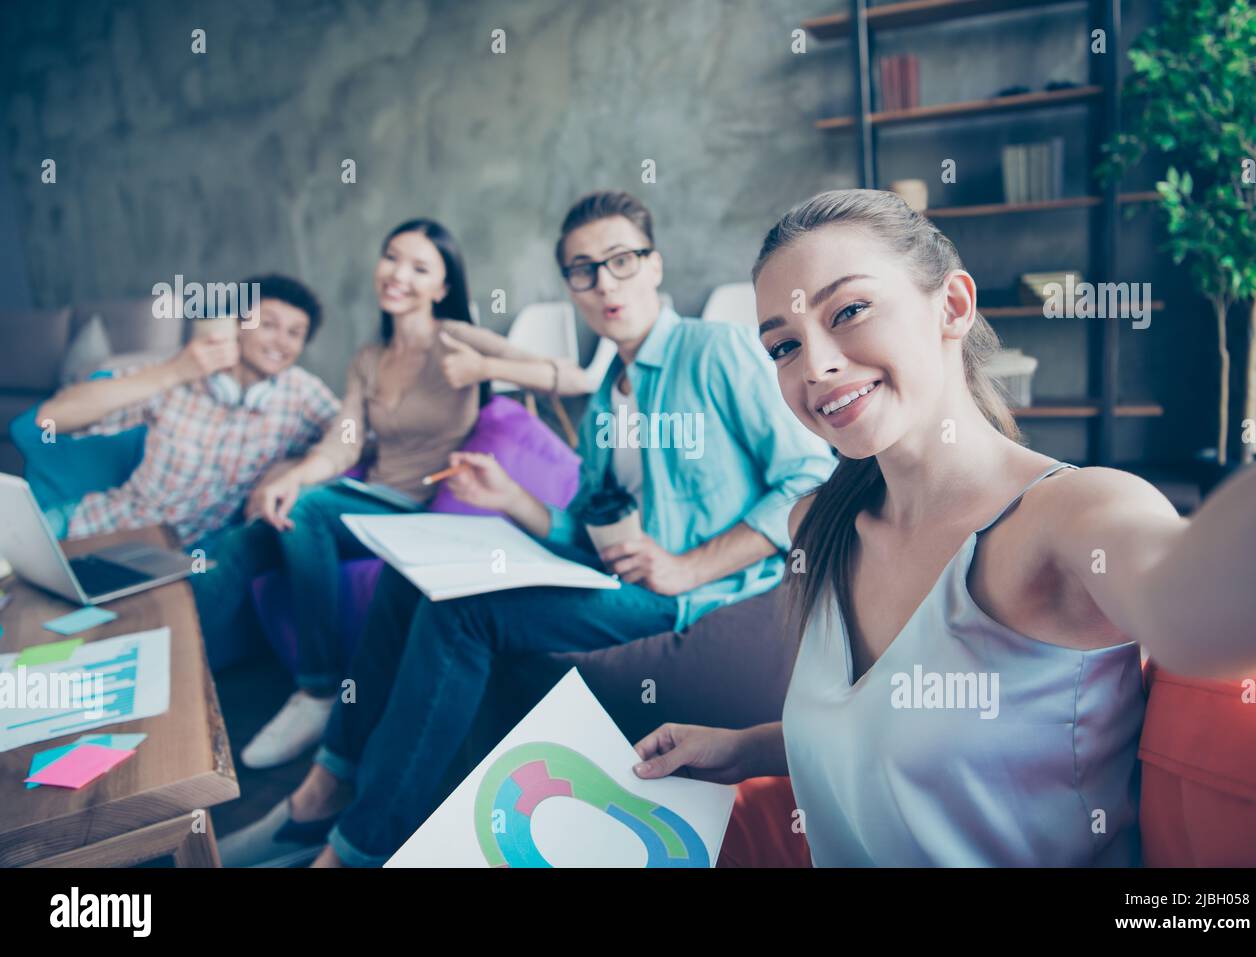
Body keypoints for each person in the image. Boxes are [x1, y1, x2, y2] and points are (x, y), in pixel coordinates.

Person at [632, 188, 1256, 867]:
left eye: (850, 310)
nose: (817, 366)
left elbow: (1199, 610)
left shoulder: (1068, 517)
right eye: (783, 346)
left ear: (952, 305)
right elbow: (900, 731)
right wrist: (744, 747)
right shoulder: (821, 526)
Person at [219, 189, 836, 867]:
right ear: (570, 286)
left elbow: (810, 479)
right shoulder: (607, 396)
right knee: (407, 581)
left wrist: (690, 565)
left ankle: (353, 851)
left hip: (702, 601)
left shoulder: (714, 352)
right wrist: (509, 498)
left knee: (464, 615)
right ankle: (327, 784)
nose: (605, 282)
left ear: (654, 266)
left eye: (622, 260)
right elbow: (589, 531)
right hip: (620, 581)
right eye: (583, 269)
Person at [194, 219, 579, 770]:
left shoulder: (457, 338)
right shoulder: (369, 358)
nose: (398, 274)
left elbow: (568, 375)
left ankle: (319, 691)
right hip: (364, 498)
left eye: (419, 267)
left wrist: (486, 367)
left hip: (417, 505)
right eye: (392, 257)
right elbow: (345, 442)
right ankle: (171, 683)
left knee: (307, 512)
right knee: (248, 537)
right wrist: (297, 473)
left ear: (442, 288)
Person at [37, 274, 337, 552]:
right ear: (236, 325)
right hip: (93, 524)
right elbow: (50, 419)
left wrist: (291, 469)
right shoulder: (179, 371)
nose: (281, 342)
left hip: (167, 553)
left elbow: (355, 437)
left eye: (295, 333)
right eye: (268, 325)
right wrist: (174, 372)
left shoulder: (301, 392)